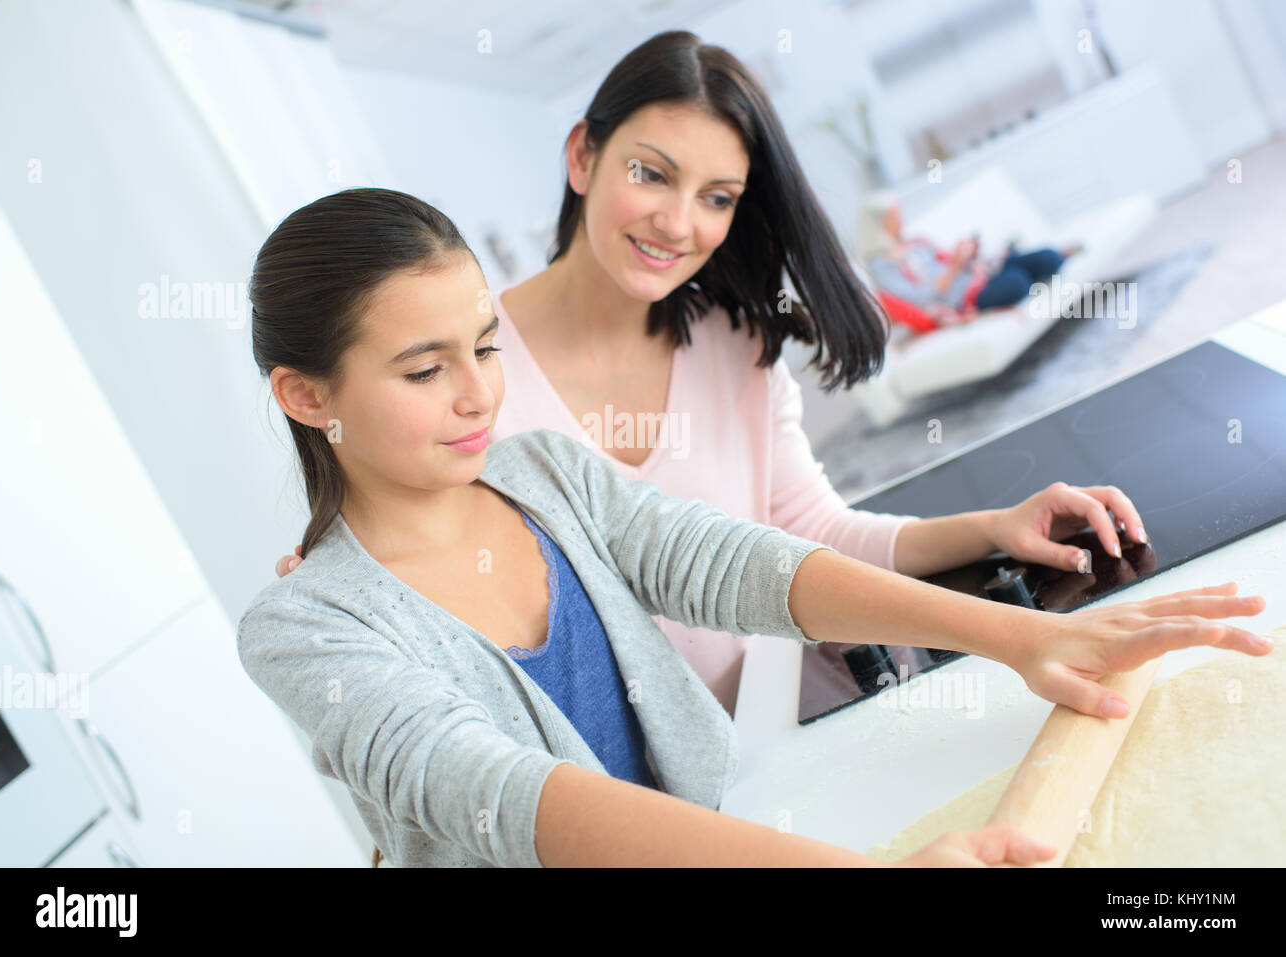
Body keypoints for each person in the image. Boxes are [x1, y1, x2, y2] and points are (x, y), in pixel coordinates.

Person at [239, 186, 1270, 867]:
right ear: (303, 392)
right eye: (425, 370)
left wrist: (1026, 638)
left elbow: (728, 562)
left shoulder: (536, 471)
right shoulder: (307, 627)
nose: (477, 396)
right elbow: (509, 796)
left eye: (483, 347)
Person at [272, 32, 1145, 718]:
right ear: (583, 157)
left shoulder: (731, 338)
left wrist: (993, 525)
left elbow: (809, 530)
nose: (677, 222)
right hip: (665, 787)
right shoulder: (469, 385)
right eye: (651, 174)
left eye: (718, 196)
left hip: (816, 704)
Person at [856, 188, 1083, 326]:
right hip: (966, 296)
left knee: (1048, 257)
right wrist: (955, 266)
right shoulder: (882, 266)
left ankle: (1034, 264)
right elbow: (921, 299)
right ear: (878, 226)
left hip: (979, 272)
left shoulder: (916, 243)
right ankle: (1022, 271)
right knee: (1017, 282)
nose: (901, 222)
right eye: (894, 218)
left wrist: (966, 254)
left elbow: (947, 260)